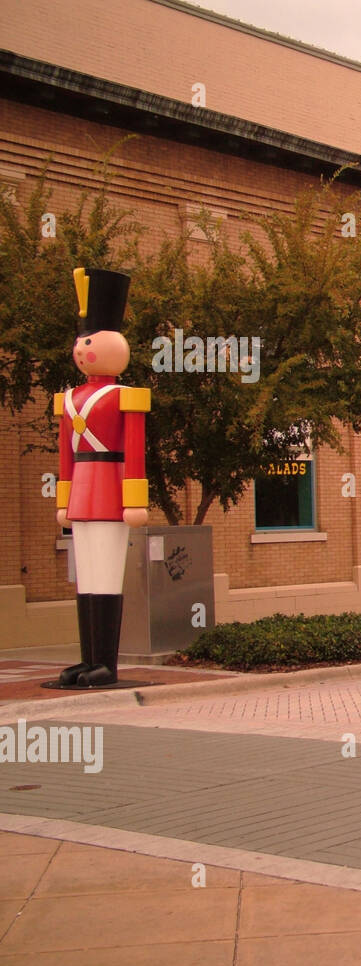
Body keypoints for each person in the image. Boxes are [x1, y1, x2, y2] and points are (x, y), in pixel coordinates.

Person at [54, 268, 150, 687]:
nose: (82, 349)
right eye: (81, 341)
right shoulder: (68, 399)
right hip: (82, 497)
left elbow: (134, 452)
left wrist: (135, 499)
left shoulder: (125, 396)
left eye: (90, 341)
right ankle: (87, 658)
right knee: (87, 575)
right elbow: (65, 455)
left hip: (111, 492)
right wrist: (63, 499)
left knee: (107, 574)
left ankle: (106, 663)